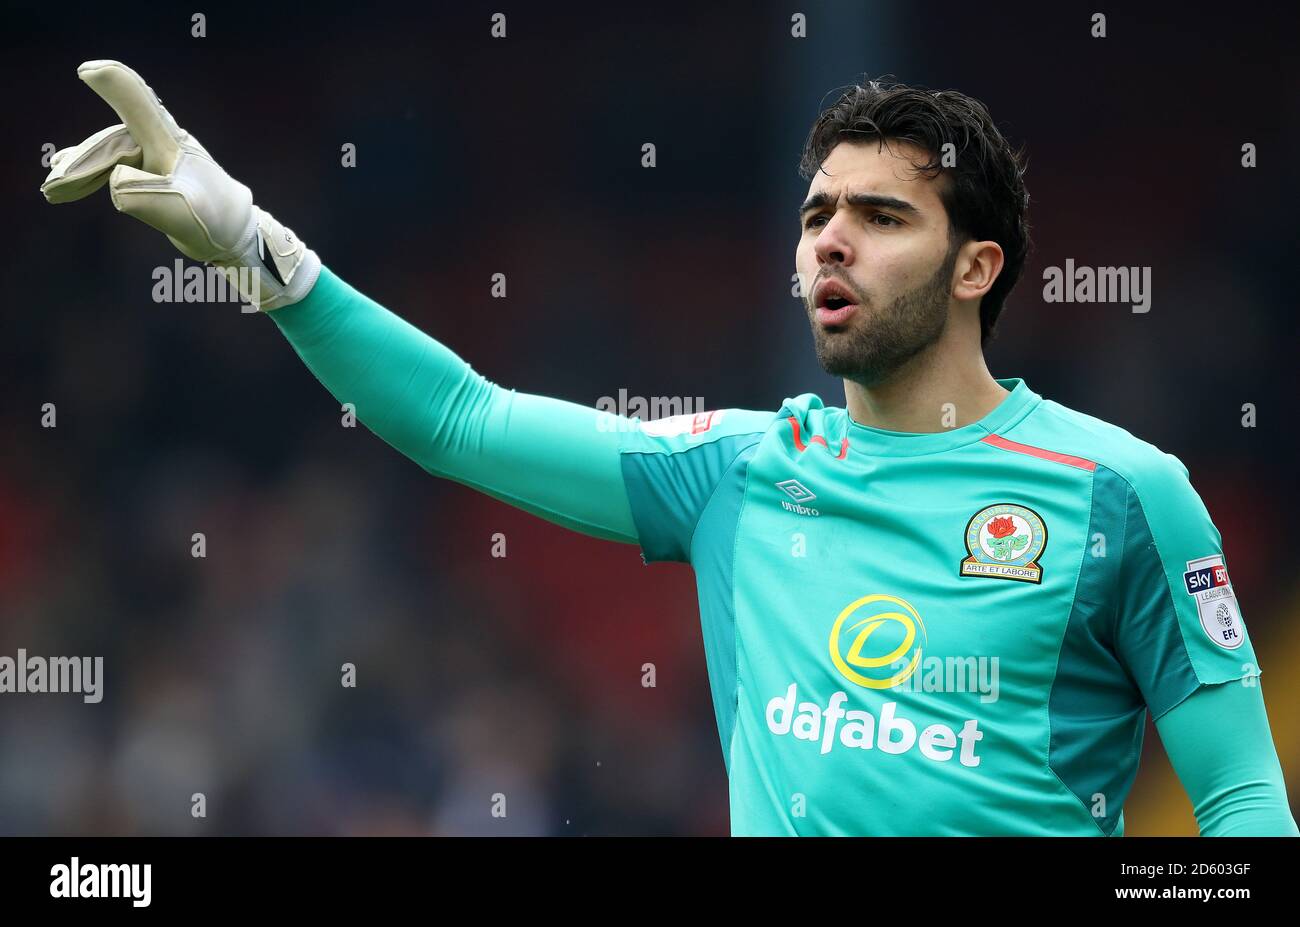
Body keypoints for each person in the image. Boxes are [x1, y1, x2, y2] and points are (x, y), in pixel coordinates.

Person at [42, 61, 1298, 836]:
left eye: (879, 215)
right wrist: (263, 249)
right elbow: (460, 417)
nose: (829, 245)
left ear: (978, 266)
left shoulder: (1127, 496)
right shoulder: (737, 472)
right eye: (815, 217)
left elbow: (1240, 804)